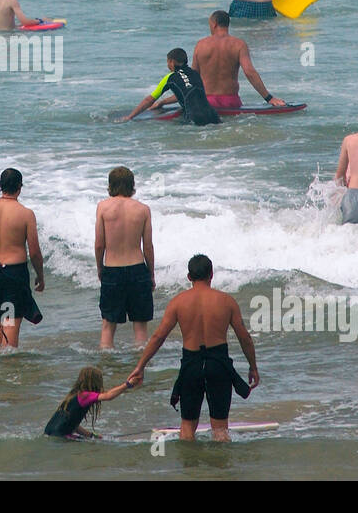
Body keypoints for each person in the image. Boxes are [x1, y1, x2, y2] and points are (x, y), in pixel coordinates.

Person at [127, 254, 258, 442]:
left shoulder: (178, 302)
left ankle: (190, 469)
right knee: (220, 429)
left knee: (187, 427)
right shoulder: (227, 302)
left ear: (189, 277)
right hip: (218, 365)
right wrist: (253, 367)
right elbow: (244, 337)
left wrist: (140, 366)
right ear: (211, 274)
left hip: (191, 365)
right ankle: (221, 470)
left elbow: (158, 337)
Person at [0, 168, 45, 347]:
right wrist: (40, 276)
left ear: (0, 186)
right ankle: (8, 371)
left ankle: (0, 370)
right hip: (14, 275)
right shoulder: (26, 214)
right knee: (9, 330)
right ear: (20, 187)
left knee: (2, 326)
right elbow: (34, 252)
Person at [95, 167, 155, 348]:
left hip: (112, 270)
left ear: (110, 185)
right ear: (132, 185)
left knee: (108, 326)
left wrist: (100, 269)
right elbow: (148, 247)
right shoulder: (143, 209)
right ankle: (139, 370)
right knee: (140, 326)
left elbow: (99, 245)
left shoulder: (103, 207)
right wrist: (151, 274)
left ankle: (107, 367)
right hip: (137, 269)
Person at [191, 10, 288, 109]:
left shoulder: (200, 45)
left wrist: (189, 100)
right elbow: (249, 72)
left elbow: (192, 76)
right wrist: (269, 98)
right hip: (230, 101)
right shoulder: (238, 44)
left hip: (205, 101)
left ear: (214, 24)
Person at [123, 48, 220, 125]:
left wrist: (130, 116)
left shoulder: (170, 77)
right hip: (213, 115)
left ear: (172, 62)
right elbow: (188, 92)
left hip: (194, 118)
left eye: (168, 62)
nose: (167, 65)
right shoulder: (195, 73)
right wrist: (162, 102)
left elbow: (149, 100)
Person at [43, 367, 135, 438]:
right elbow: (108, 396)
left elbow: (71, 423)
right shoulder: (85, 395)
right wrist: (127, 384)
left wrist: (91, 435)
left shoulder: (73, 395)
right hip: (61, 436)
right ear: (95, 382)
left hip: (50, 433)